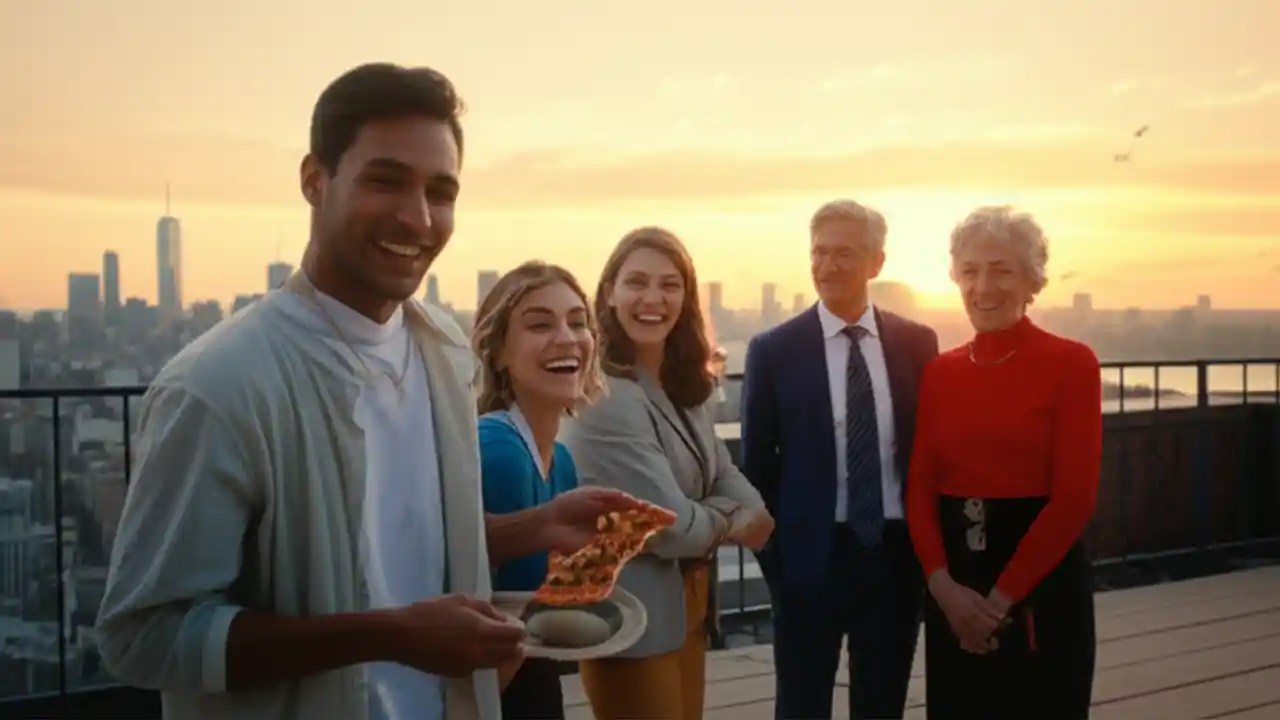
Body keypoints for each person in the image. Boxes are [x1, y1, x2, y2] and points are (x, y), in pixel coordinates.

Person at [95, 63, 647, 720]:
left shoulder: (443, 353)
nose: (418, 218)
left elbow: (394, 541)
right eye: (386, 181)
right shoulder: (217, 388)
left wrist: (535, 526)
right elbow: (144, 638)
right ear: (314, 180)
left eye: (441, 192)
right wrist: (391, 635)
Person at [559, 227, 774, 720]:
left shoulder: (680, 384)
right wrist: (732, 522)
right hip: (631, 620)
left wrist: (747, 508)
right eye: (636, 282)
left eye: (670, 284)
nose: (653, 298)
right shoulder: (604, 396)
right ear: (609, 293)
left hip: (685, 609)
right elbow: (668, 525)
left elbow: (723, 471)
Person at [741, 200, 939, 719]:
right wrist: (777, 560)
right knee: (802, 706)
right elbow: (756, 467)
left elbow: (928, 450)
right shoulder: (773, 351)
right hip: (809, 558)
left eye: (844, 254)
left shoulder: (918, 343)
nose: (827, 266)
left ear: (876, 262)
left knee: (882, 704)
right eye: (819, 253)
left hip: (894, 555)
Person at [906, 206, 1101, 719]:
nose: (983, 286)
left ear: (1032, 281)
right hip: (955, 586)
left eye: (1002, 269)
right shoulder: (940, 372)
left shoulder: (1072, 363)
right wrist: (943, 588)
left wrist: (997, 603)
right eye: (970, 271)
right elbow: (920, 486)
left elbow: (1075, 498)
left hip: (1039, 583)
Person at [471, 261, 606, 718]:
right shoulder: (498, 449)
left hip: (533, 671)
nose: (567, 338)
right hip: (491, 688)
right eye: (539, 324)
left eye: (578, 321)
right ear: (498, 353)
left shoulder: (562, 462)